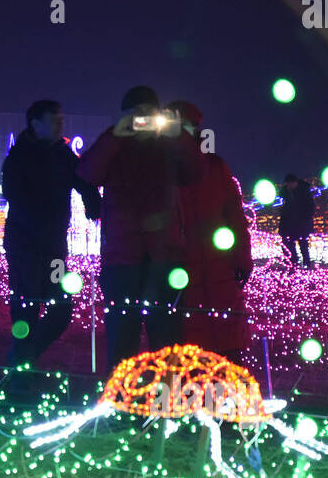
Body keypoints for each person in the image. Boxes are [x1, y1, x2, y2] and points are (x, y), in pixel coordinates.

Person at [77, 86, 202, 367]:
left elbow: (196, 172)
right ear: (126, 117)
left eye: (150, 113)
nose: (144, 120)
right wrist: (114, 137)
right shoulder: (115, 145)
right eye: (138, 114)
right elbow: (86, 173)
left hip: (163, 255)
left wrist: (178, 135)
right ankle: (122, 403)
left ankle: (168, 401)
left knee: (167, 338)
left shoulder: (170, 145)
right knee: (122, 338)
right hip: (123, 256)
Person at [2, 100, 102, 377]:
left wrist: (94, 202)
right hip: (25, 247)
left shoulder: (64, 155)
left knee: (61, 310)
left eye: (61, 119)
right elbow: (14, 195)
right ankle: (20, 377)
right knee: (27, 310)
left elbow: (84, 181)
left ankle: (20, 360)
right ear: (36, 124)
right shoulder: (19, 156)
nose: (61, 124)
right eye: (54, 120)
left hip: (55, 248)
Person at [167, 101, 252, 358]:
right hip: (182, 267)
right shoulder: (162, 170)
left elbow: (235, 216)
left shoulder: (215, 166)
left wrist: (242, 258)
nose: (185, 132)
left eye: (189, 126)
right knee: (190, 341)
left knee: (227, 338)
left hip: (219, 266)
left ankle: (228, 389)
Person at [278, 174, 315, 268]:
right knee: (288, 244)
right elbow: (284, 210)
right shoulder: (285, 195)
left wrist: (305, 219)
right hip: (289, 225)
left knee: (303, 245)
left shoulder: (304, 192)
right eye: (288, 184)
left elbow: (311, 208)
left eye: (291, 183)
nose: (289, 185)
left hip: (301, 224)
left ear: (295, 183)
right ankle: (293, 264)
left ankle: (306, 265)